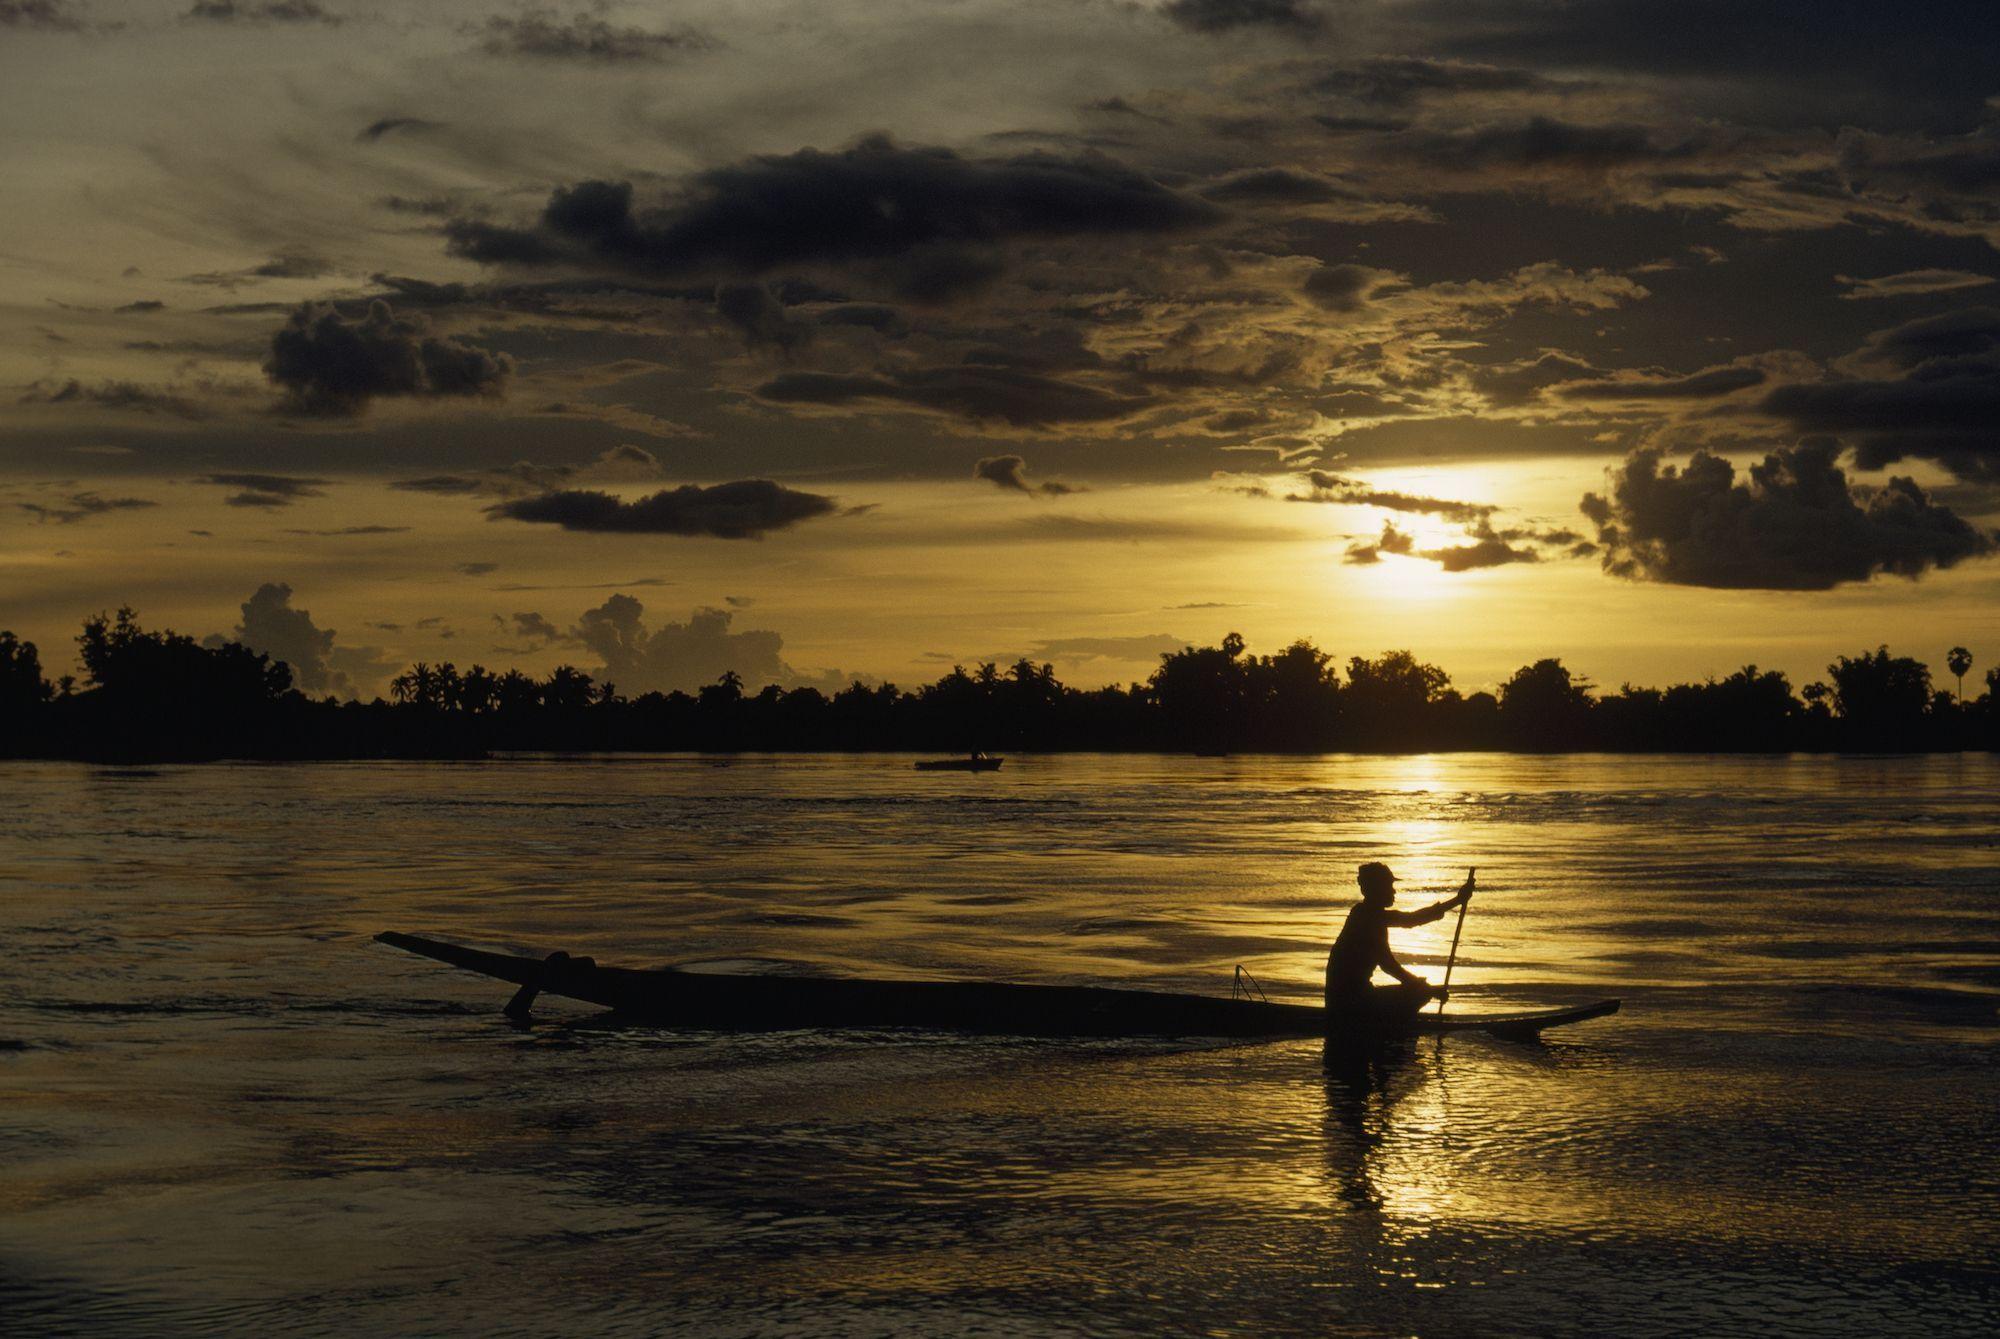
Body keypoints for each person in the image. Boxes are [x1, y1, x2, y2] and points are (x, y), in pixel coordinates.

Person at [1325, 863, 1474, 1026]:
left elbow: (1410, 920)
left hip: (1350, 1001)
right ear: (1377, 889)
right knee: (1420, 991)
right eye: (1389, 886)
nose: (1393, 891)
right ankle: (1394, 1025)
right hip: (1350, 1004)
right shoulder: (1366, 918)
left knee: (1420, 988)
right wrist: (1427, 989)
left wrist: (1457, 901)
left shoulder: (1368, 915)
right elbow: (1389, 965)